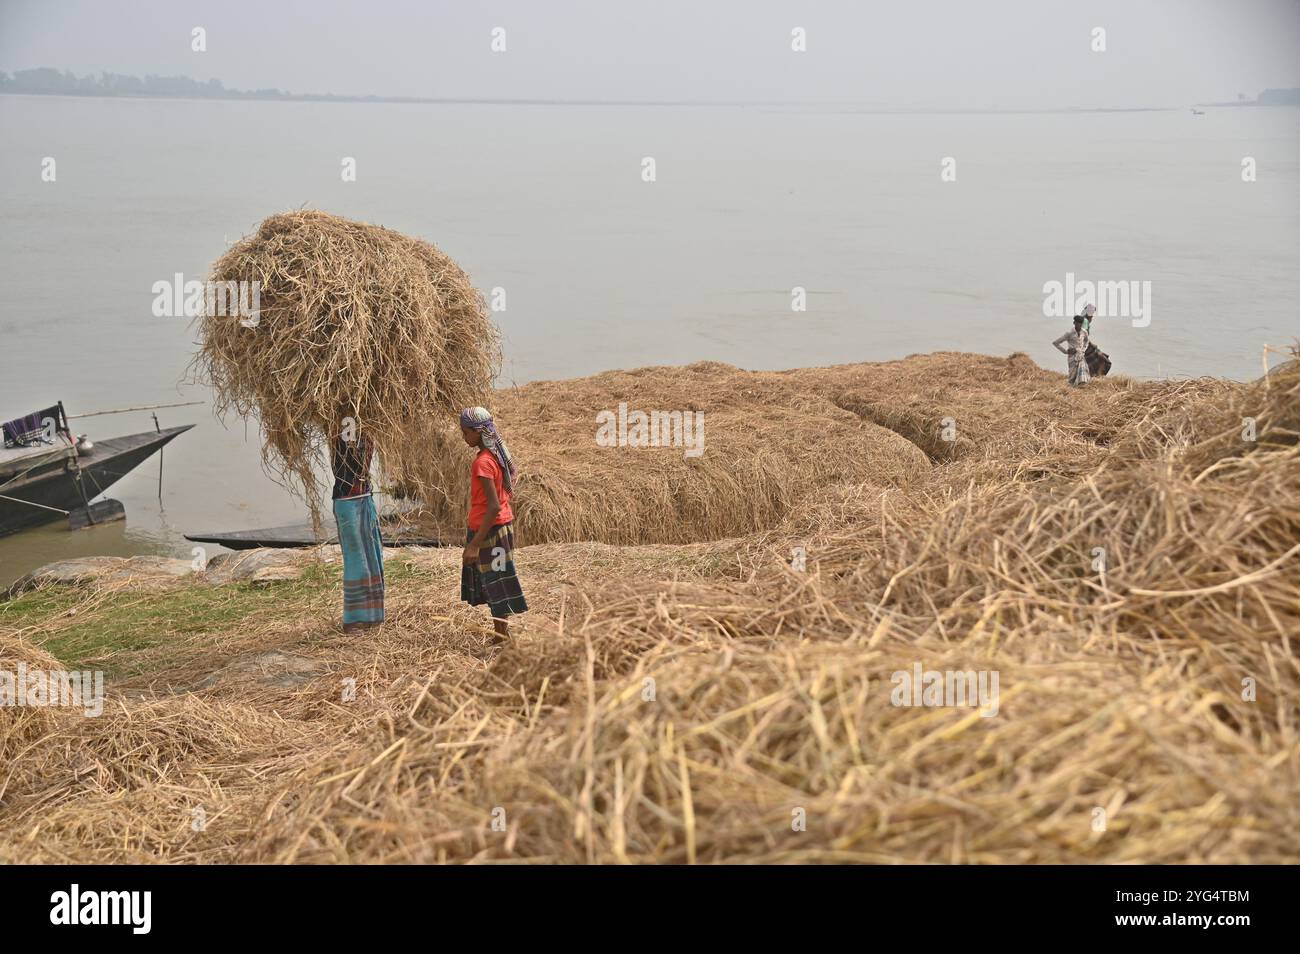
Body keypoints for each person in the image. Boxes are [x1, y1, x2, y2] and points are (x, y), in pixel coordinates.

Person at [459, 406, 527, 641]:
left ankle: (501, 637)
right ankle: (501, 634)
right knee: (496, 581)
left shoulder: (483, 463)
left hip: (490, 531)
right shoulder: (494, 457)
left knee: (496, 583)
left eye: (466, 432)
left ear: (478, 432)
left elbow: (494, 506)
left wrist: (475, 544)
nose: (464, 437)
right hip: (498, 527)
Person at [331, 429, 384, 632]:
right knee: (357, 562)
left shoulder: (364, 426)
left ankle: (372, 615)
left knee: (372, 557)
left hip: (363, 497)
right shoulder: (347, 423)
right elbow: (349, 460)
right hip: (348, 501)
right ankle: (353, 620)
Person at [1052, 307, 1093, 387]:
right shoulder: (1069, 333)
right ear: (1074, 323)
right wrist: (1065, 351)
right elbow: (1056, 343)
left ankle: (1081, 389)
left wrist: (1083, 349)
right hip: (1072, 357)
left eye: (1080, 324)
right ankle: (1071, 390)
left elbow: (1086, 341)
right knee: (1072, 377)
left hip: (1080, 356)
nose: (1079, 325)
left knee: (1083, 374)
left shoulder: (1084, 332)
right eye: (1077, 323)